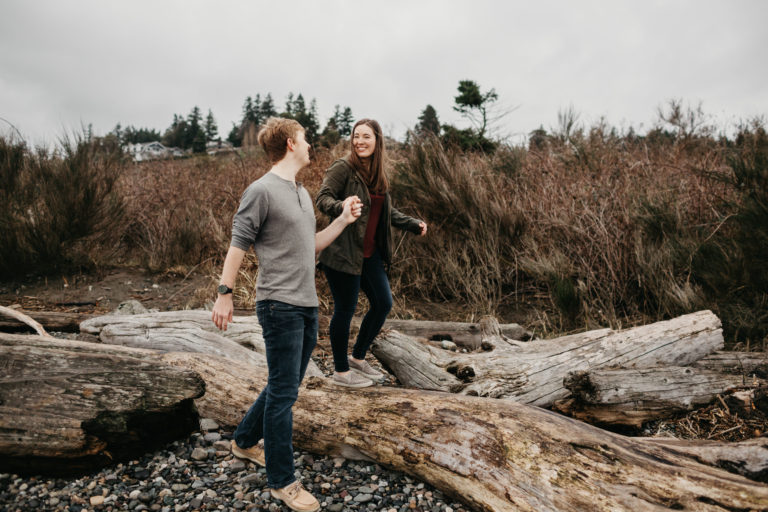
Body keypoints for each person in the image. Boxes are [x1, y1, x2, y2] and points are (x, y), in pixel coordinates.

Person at [212, 117, 361, 512]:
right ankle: (282, 481)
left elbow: (310, 245)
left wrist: (343, 220)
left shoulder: (300, 191)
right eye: (306, 138)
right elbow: (238, 242)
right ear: (292, 144)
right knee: (284, 394)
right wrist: (224, 294)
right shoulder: (261, 191)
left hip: (307, 304)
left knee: (285, 385)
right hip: (279, 306)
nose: (310, 144)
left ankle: (244, 441)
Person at [315, 118, 427, 388]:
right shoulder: (344, 168)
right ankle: (341, 373)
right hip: (343, 253)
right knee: (345, 310)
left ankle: (357, 358)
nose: (359, 142)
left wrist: (413, 224)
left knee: (383, 303)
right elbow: (322, 198)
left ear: (377, 141)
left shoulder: (378, 174)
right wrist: (342, 206)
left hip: (370, 254)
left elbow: (385, 212)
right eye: (356, 136)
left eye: (366, 137)